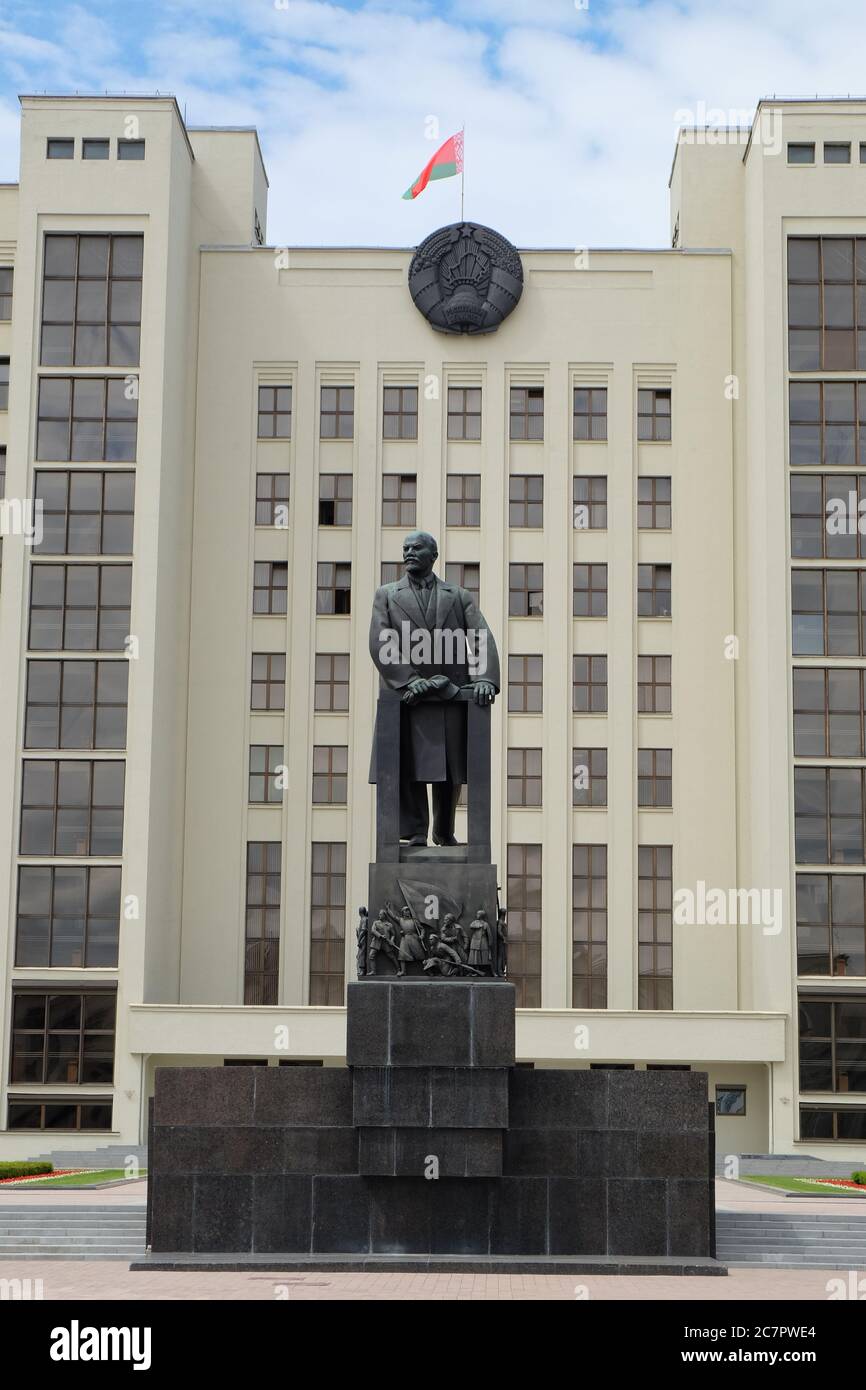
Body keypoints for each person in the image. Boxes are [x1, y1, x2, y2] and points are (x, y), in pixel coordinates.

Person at [368, 530, 499, 846]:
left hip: (450, 695)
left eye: (417, 547)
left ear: (433, 555)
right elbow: (380, 640)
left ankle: (444, 830)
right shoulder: (386, 594)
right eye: (405, 548)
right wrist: (411, 680)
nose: (409, 552)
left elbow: (480, 635)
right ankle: (415, 831)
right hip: (408, 698)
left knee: (450, 768)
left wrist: (484, 678)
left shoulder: (458, 595)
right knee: (410, 764)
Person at [468, 906, 492, 971]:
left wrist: (490, 943)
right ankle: (475, 969)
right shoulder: (475, 922)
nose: (477, 915)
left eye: (478, 914)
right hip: (475, 941)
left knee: (483, 956)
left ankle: (483, 969)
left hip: (483, 941)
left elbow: (489, 935)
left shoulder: (486, 924)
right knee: (475, 956)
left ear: (481, 915)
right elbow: (471, 926)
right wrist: (478, 925)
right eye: (477, 914)